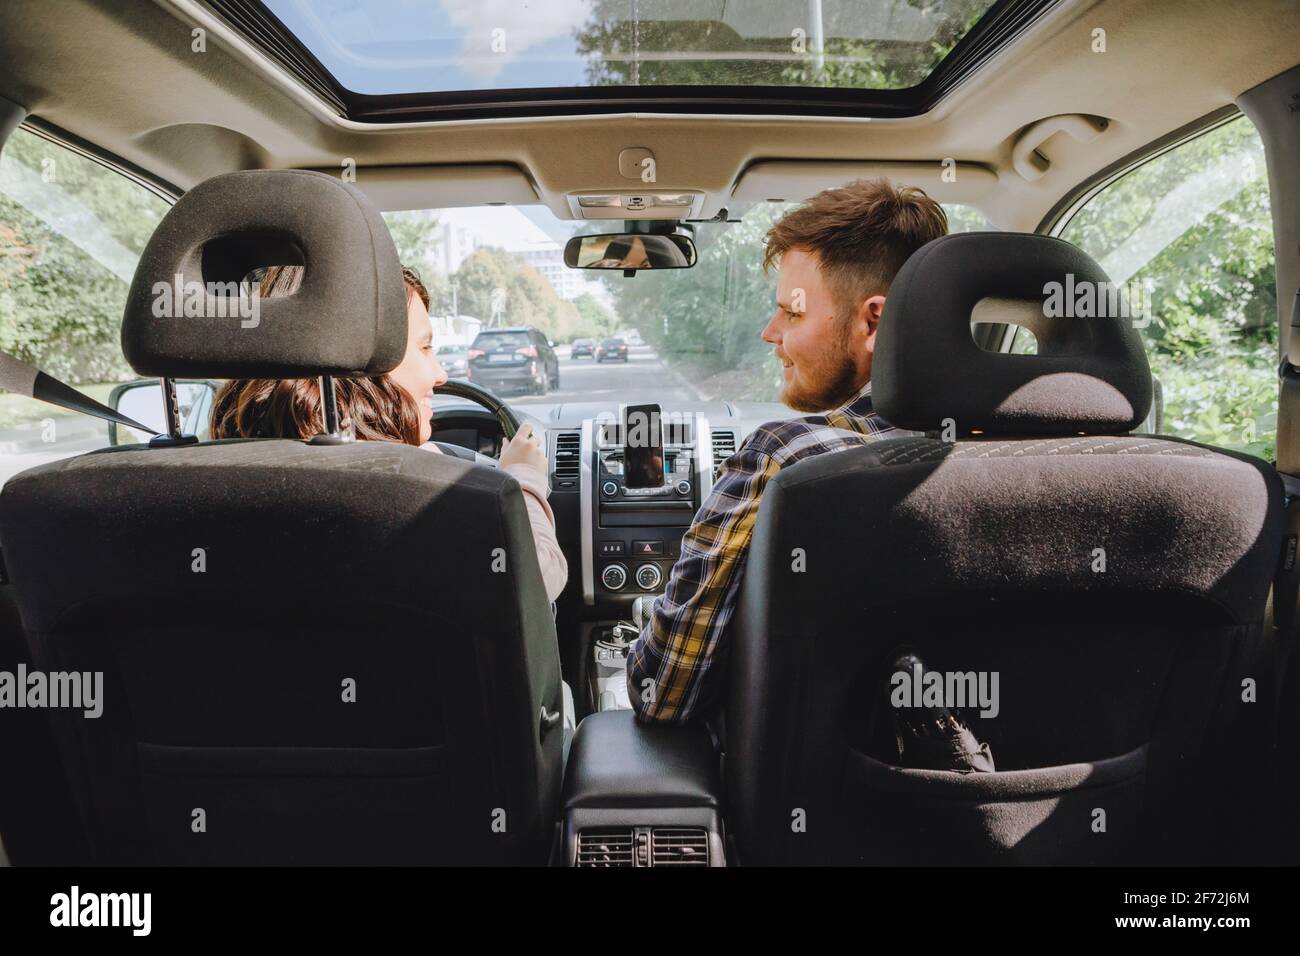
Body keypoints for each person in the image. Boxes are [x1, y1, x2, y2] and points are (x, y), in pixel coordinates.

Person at [626, 179, 971, 750]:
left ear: (874, 322)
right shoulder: (1091, 465)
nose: (770, 333)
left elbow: (665, 694)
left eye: (791, 311)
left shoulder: (787, 457)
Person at [210, 264, 568, 605]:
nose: (440, 374)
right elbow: (540, 580)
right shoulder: (421, 487)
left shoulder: (199, 477)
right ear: (364, 364)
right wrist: (524, 481)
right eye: (425, 348)